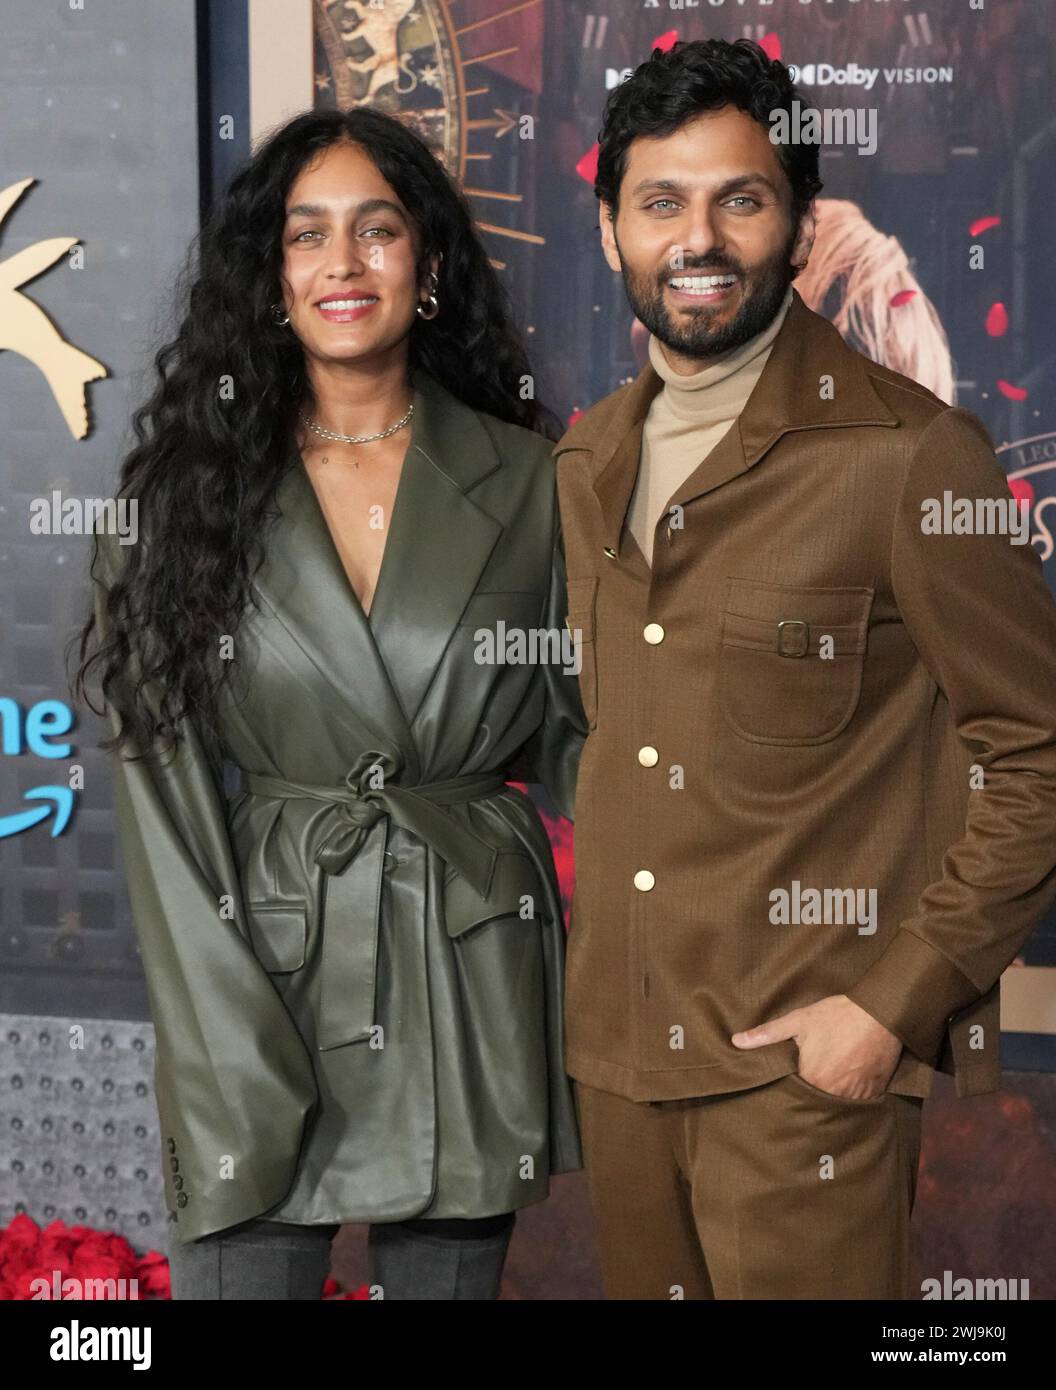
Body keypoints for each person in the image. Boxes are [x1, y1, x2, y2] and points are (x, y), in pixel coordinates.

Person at [554, 38, 1056, 1299]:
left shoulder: (912, 455)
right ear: (611, 229)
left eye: (741, 197)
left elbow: (1038, 756)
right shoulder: (588, 459)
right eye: (660, 202)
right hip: (619, 1071)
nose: (698, 238)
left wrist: (890, 1007)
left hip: (801, 1086)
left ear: (799, 220)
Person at [74, 106, 584, 1300]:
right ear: (271, 275)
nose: (342, 264)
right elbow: (163, 805)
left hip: (470, 968)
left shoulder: (537, 480)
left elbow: (597, 745)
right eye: (306, 235)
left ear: (429, 263)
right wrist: (223, 1039)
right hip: (262, 970)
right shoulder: (182, 498)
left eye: (377, 229)